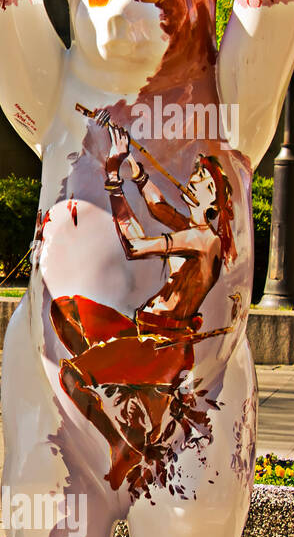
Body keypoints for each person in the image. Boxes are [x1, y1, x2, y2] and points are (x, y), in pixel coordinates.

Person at [51, 122, 240, 492]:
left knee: (71, 377)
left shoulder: (205, 241)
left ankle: (121, 442)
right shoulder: (194, 228)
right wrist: (135, 170)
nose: (190, 180)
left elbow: (135, 245)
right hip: (144, 331)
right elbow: (157, 206)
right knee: (66, 308)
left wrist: (113, 179)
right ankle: (124, 388)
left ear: (213, 200)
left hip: (160, 348)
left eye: (199, 180)